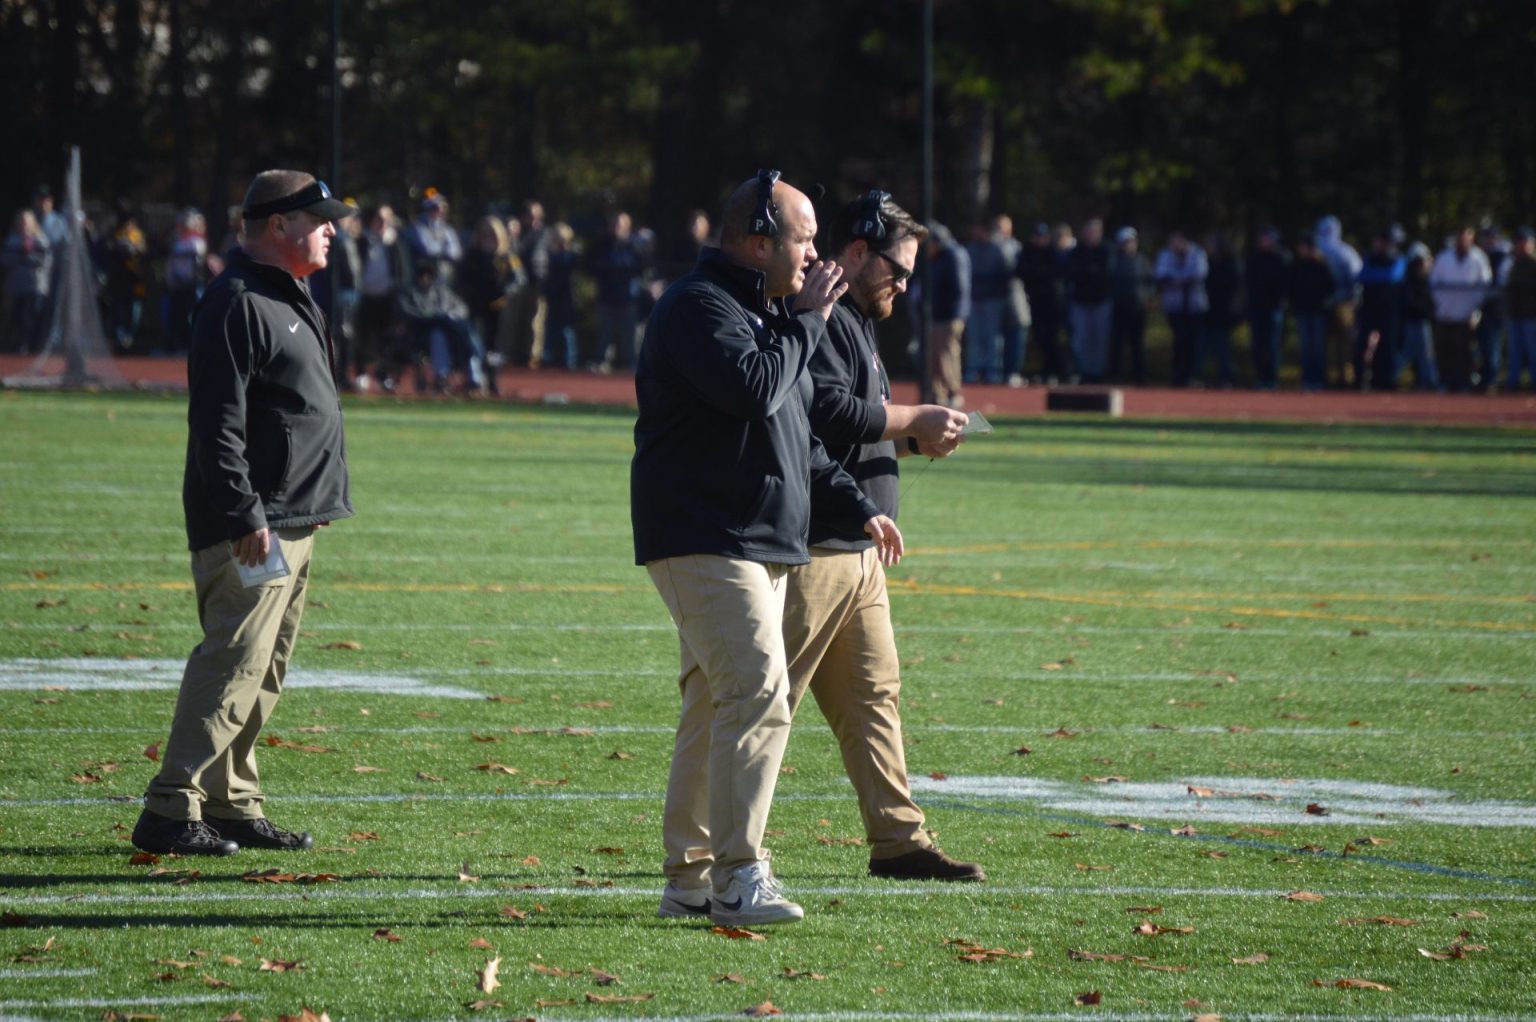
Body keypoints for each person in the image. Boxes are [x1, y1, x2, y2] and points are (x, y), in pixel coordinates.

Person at [634, 170, 902, 928]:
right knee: (758, 690)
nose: (820, 255)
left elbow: (796, 433)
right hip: (707, 535)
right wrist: (809, 321)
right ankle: (740, 873)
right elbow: (754, 388)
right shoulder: (700, 307)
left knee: (712, 706)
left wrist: (855, 506)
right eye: (805, 237)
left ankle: (687, 876)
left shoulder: (766, 314)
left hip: (754, 538)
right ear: (758, 243)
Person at [132, 170, 356, 857]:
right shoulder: (235, 301)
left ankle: (233, 801)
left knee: (266, 669)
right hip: (256, 524)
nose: (331, 228)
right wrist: (245, 513)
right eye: (317, 217)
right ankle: (172, 806)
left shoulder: (288, 296)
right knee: (235, 659)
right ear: (277, 224)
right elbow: (217, 426)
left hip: (293, 518)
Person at [783, 191, 982, 882]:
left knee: (875, 697)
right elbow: (826, 413)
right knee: (760, 706)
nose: (904, 283)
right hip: (812, 551)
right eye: (896, 268)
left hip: (859, 550)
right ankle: (717, 852)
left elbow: (856, 428)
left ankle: (898, 840)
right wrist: (912, 419)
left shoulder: (861, 322)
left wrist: (909, 441)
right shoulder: (825, 312)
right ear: (856, 252)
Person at [353, 205, 411, 393]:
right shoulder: (363, 240)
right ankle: (361, 373)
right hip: (365, 296)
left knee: (386, 338)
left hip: (387, 298)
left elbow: (401, 271)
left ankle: (383, 375)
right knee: (363, 336)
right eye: (379, 218)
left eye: (386, 219)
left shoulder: (395, 243)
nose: (382, 223)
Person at [1428, 226, 1491, 393]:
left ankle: (1465, 382)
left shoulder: (1478, 259)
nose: (1462, 241)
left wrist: (1474, 310)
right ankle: (1445, 381)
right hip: (1445, 313)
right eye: (1460, 237)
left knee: (1464, 350)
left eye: (1466, 237)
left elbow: (1483, 287)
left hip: (1466, 313)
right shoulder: (1444, 257)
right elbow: (1434, 283)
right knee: (1443, 348)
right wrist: (1442, 306)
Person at [588, 210, 644, 370]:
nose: (616, 228)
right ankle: (601, 361)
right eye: (614, 224)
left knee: (629, 335)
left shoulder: (635, 246)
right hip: (607, 295)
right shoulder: (602, 245)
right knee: (605, 333)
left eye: (620, 225)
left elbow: (641, 267)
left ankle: (631, 363)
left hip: (628, 297)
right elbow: (592, 265)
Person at [1353, 227, 1406, 391]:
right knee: (1361, 344)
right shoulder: (1370, 258)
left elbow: (1393, 276)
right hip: (1369, 308)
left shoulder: (1398, 259)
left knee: (1388, 346)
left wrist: (1375, 277)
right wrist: (1379, 277)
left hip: (1389, 310)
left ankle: (1385, 380)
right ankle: (1361, 379)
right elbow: (1362, 276)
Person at [923, 221, 969, 406]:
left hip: (949, 316)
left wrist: (946, 309)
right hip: (940, 314)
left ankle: (953, 394)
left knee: (946, 355)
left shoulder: (953, 255)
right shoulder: (941, 256)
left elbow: (958, 288)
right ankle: (938, 396)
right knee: (935, 356)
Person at [1154, 230, 1207, 386]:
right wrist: (1181, 279)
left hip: (1194, 306)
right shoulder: (1166, 254)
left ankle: (1193, 376)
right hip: (1174, 306)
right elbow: (1161, 275)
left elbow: (1198, 274)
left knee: (1194, 342)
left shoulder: (1197, 253)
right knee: (1179, 341)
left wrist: (1177, 280)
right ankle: (1178, 376)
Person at [1065, 218, 1113, 383]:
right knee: (1082, 339)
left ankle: (1098, 373)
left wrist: (1089, 273)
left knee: (1099, 339)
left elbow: (1107, 274)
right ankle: (1085, 372)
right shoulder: (1077, 251)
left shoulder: (1106, 250)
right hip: (1081, 301)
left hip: (1100, 301)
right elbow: (1072, 272)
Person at [1315, 215, 1361, 387]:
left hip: (1335, 304)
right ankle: (1342, 378)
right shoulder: (1345, 251)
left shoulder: (1320, 249)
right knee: (1341, 343)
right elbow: (1356, 277)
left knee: (1333, 343)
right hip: (1341, 304)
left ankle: (1331, 378)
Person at [1016, 223, 1064, 381]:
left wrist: (1038, 274)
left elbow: (1055, 274)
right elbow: (1021, 272)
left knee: (1052, 337)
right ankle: (1046, 370)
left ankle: (1056, 371)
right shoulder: (1027, 252)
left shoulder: (1052, 252)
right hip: (1035, 301)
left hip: (1052, 303)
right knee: (1039, 337)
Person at [963, 219, 1008, 384]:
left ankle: (992, 370)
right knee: (974, 336)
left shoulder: (996, 249)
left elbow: (1003, 274)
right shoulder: (971, 249)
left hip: (992, 299)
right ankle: (974, 369)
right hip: (974, 299)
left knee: (992, 336)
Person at [1, 208, 52, 353]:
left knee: (33, 316)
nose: (24, 225)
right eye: (22, 222)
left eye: (26, 222)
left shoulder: (40, 240)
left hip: (35, 285)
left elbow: (43, 260)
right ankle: (18, 344)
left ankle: (33, 345)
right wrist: (21, 256)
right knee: (17, 316)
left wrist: (26, 256)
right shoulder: (12, 239)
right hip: (17, 285)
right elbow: (5, 259)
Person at [1244, 228, 1288, 389]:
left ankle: (1272, 378)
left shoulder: (1281, 258)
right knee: (1257, 345)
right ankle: (1260, 378)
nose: (1264, 242)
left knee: (1272, 345)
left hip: (1274, 308)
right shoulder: (1254, 259)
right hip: (1256, 307)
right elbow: (1248, 282)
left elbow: (1284, 284)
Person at [1289, 236, 1333, 391]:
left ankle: (1319, 379)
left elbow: (1330, 287)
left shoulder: (1321, 265)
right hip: (1302, 310)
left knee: (1318, 346)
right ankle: (1307, 379)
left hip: (1318, 311)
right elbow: (1291, 286)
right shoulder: (1298, 265)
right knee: (1306, 346)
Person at [1398, 241, 1439, 390]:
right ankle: (1429, 380)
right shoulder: (1414, 280)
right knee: (1420, 352)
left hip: (1418, 319)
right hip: (1417, 320)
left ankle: (1427, 379)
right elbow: (1415, 302)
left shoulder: (1417, 278)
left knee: (1417, 352)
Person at [1475, 226, 1509, 391]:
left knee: (1494, 344)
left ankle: (1492, 378)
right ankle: (1486, 377)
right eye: (1486, 238)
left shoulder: (1503, 257)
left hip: (1498, 308)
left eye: (1491, 238)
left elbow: (1498, 282)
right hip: (1483, 306)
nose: (1488, 241)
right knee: (1484, 345)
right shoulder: (1480, 256)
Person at [1502, 226, 1536, 392]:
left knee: (1532, 350)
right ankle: (1512, 382)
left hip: (1531, 314)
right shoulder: (1513, 262)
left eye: (1525, 242)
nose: (1522, 245)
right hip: (1515, 313)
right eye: (1519, 242)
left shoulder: (1532, 264)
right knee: (1514, 352)